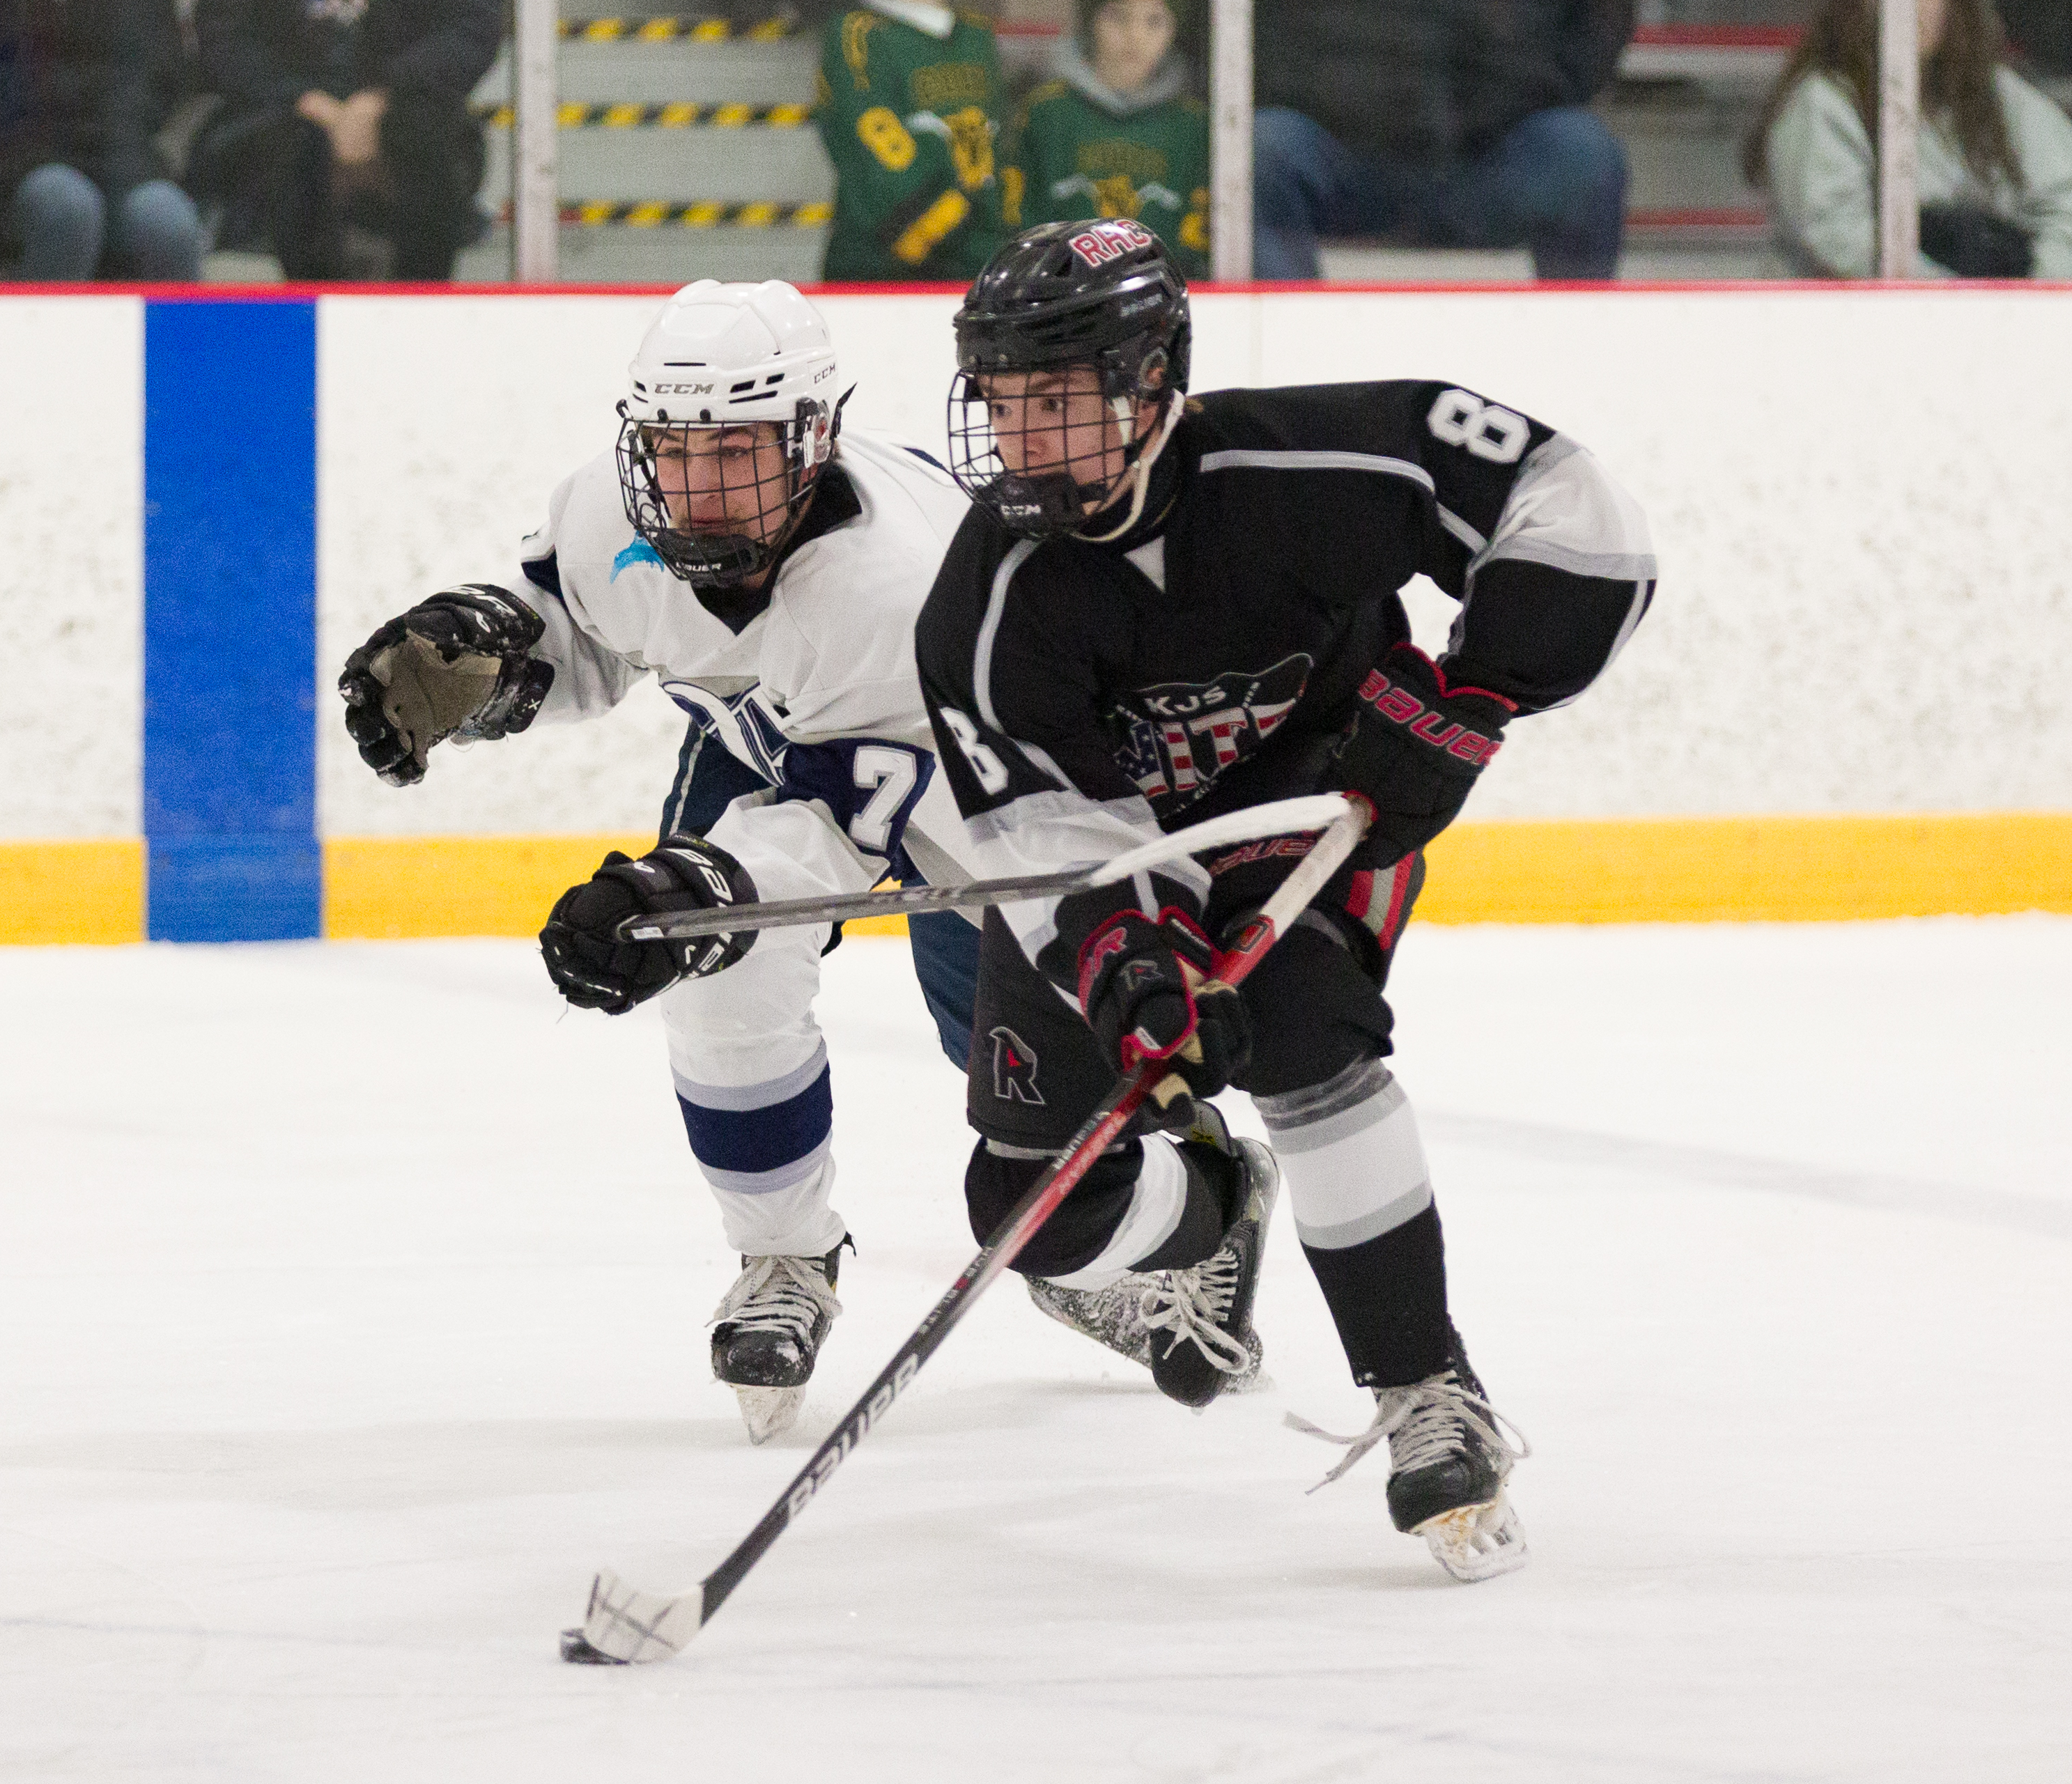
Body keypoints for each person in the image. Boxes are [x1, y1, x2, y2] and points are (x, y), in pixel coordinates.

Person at [917, 218, 1655, 1581]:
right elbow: (1045, 837)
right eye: (1005, 406)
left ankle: (1428, 1386)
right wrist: (1134, 966)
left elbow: (1577, 508)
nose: (1025, 441)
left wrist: (1475, 689)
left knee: (1309, 1031)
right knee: (1024, 1202)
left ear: (1154, 386)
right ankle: (1202, 1206)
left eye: (1061, 404)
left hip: (1311, 811)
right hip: (1118, 862)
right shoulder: (982, 602)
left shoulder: (1310, 464)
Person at [339, 281, 1012, 1444]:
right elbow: (586, 634)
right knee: (718, 973)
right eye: (673, 449)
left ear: (813, 438)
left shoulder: (899, 582)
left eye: (734, 451)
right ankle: (784, 1260)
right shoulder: (612, 511)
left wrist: (707, 884)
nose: (694, 485)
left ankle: (1195, 1206)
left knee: (1022, 1083)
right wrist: (493, 655)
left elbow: (848, 810)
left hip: (972, 780)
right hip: (776, 747)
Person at [1252, 0, 1634, 281]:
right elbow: (1230, 27)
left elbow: (1601, 20)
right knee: (1260, 152)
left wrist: (1518, 93)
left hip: (1495, 154)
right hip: (1342, 153)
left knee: (1582, 155)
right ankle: (1299, 371)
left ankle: (1574, 363)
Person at [0, 0, 202, 281]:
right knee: (65, 206)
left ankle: (186, 356)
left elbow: (166, 70)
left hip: (118, 151)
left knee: (167, 220)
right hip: (1, 157)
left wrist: (123, 120)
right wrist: (5, 107)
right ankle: (41, 352)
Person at [1747, 0, 2072, 279]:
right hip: (1846, 331)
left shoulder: (1998, 96)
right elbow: (1837, 237)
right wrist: (1957, 305)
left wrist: (2032, 298)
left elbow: (2065, 199)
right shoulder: (1823, 101)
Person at [189, 0, 495, 281]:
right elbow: (222, 41)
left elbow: (471, 32)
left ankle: (421, 309)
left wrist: (381, 99)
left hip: (414, 112)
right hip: (282, 117)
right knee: (289, 150)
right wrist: (304, 100)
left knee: (422, 143)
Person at [1002, 0, 1209, 277]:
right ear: (1091, 22)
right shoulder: (1045, 113)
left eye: (1154, 21)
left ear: (1175, 31)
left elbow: (1200, 238)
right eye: (1118, 17)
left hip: (1158, 295)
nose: (1135, 35)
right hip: (1059, 297)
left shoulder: (1193, 125)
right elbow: (1018, 224)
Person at [815, 1, 1008, 280]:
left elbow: (1003, 154)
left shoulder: (977, 35)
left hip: (981, 267)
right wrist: (978, 247)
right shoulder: (858, 34)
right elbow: (878, 156)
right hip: (884, 273)